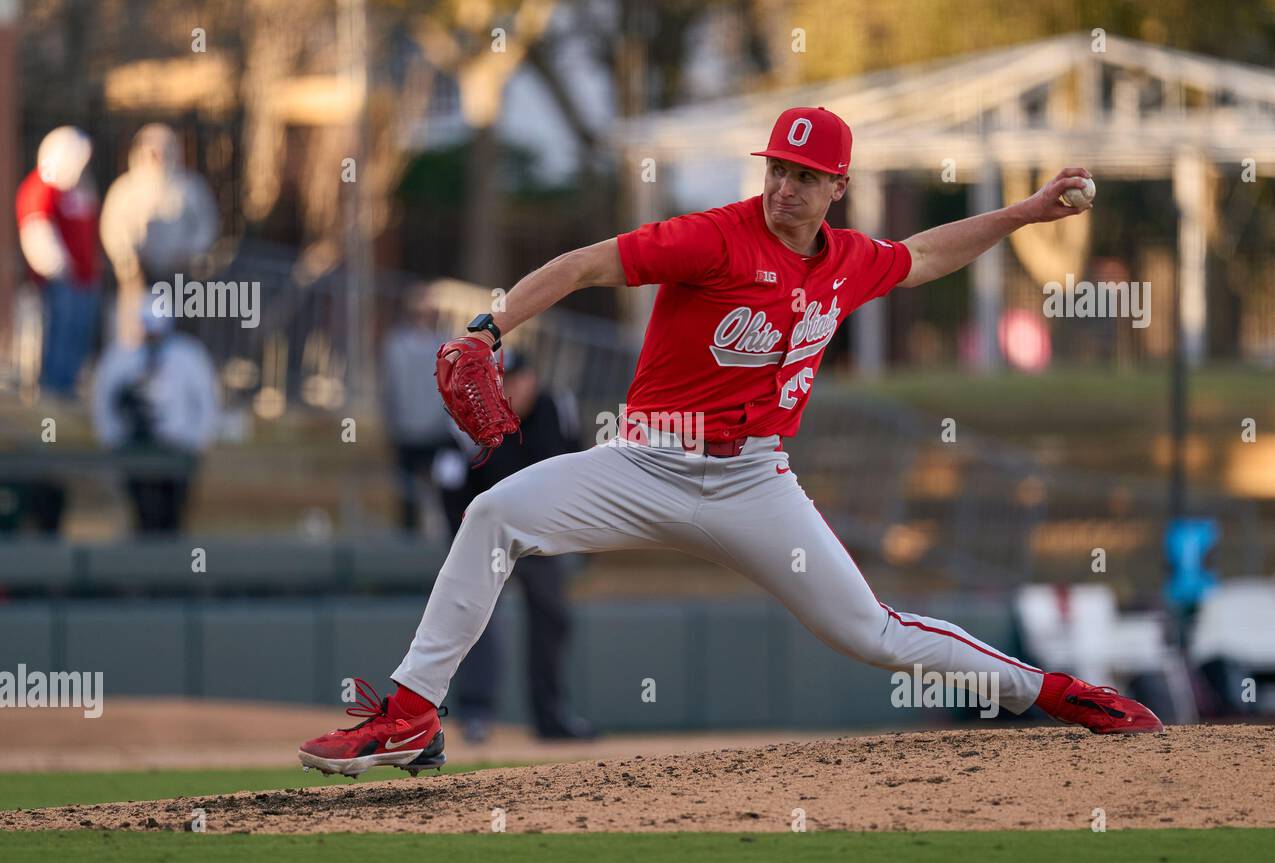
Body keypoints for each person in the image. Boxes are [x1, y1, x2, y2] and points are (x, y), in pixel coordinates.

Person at [299, 106, 1164, 778]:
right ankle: (413, 712)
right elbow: (584, 263)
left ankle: (1057, 692)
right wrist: (489, 328)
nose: (784, 187)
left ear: (837, 186)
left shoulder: (848, 259)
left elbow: (926, 255)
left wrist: (1025, 213)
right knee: (493, 516)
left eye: (805, 175)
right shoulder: (713, 236)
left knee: (876, 635)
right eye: (778, 168)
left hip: (756, 483)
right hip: (646, 462)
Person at [447, 350, 593, 743]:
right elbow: (456, 485)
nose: (513, 387)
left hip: (541, 535)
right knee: (476, 620)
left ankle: (551, 717)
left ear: (534, 378)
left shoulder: (555, 408)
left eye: (519, 378)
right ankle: (476, 713)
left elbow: (581, 467)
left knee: (553, 618)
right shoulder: (477, 415)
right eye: (504, 379)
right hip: (489, 538)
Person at [91, 297, 220, 534]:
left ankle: (169, 563)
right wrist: (111, 439)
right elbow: (104, 402)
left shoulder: (188, 356)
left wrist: (198, 442)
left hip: (177, 449)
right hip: (135, 448)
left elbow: (207, 402)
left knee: (173, 515)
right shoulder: (121, 358)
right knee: (142, 512)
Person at [99, 123, 220, 346]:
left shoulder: (190, 187)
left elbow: (207, 224)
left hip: (178, 274)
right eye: (152, 151)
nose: (158, 157)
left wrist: (191, 252)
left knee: (179, 332)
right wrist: (126, 259)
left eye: (164, 150)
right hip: (137, 275)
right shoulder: (125, 189)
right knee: (134, 331)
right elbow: (112, 227)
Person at [15, 126, 102, 398]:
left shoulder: (80, 188)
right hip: (61, 282)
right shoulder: (42, 188)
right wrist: (59, 267)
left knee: (78, 339)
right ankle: (52, 399)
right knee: (59, 339)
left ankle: (68, 389)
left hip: (85, 281)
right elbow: (36, 231)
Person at [379, 290, 455, 533]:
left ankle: (440, 533)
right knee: (407, 490)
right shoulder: (395, 346)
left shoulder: (443, 345)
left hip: (436, 432)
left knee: (442, 486)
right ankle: (409, 537)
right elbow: (389, 388)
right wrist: (390, 423)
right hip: (405, 431)